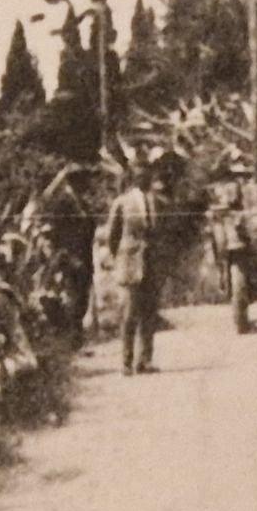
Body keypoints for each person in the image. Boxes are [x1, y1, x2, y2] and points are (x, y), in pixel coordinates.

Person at [104, 160, 164, 375]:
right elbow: (112, 236)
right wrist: (119, 258)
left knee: (149, 313)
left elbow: (160, 233)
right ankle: (126, 362)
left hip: (150, 262)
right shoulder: (122, 202)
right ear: (134, 178)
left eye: (148, 175)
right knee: (129, 314)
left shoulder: (156, 201)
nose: (145, 178)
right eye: (141, 175)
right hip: (130, 263)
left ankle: (145, 360)